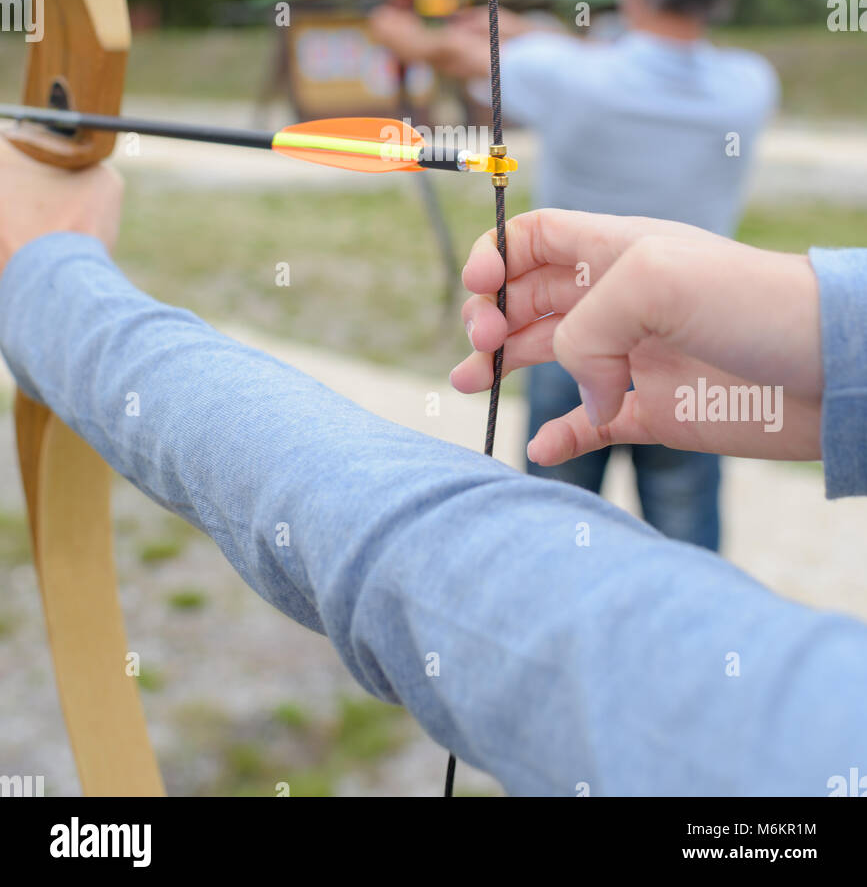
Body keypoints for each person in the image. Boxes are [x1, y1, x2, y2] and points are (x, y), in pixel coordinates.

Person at [0, 144, 865, 796]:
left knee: (558, 509)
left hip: (624, 354)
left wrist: (52, 280)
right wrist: (826, 342)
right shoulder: (741, 77)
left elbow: (471, 579)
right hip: (678, 350)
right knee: (669, 533)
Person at [370, 0, 780, 550]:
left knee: (553, 534)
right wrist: (531, 33)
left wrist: (398, 32)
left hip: (571, 336)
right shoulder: (750, 86)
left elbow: (444, 52)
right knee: (688, 545)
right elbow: (630, 61)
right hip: (697, 345)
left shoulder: (570, 77)